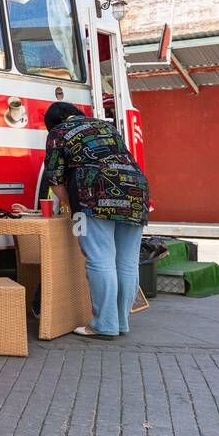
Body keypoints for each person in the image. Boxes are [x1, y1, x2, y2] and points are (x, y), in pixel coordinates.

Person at [43, 101, 150, 340]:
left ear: (54, 122)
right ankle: (120, 322)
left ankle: (104, 325)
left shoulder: (58, 133)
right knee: (127, 262)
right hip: (136, 191)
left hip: (94, 191)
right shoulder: (106, 127)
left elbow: (55, 179)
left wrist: (70, 204)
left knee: (100, 258)